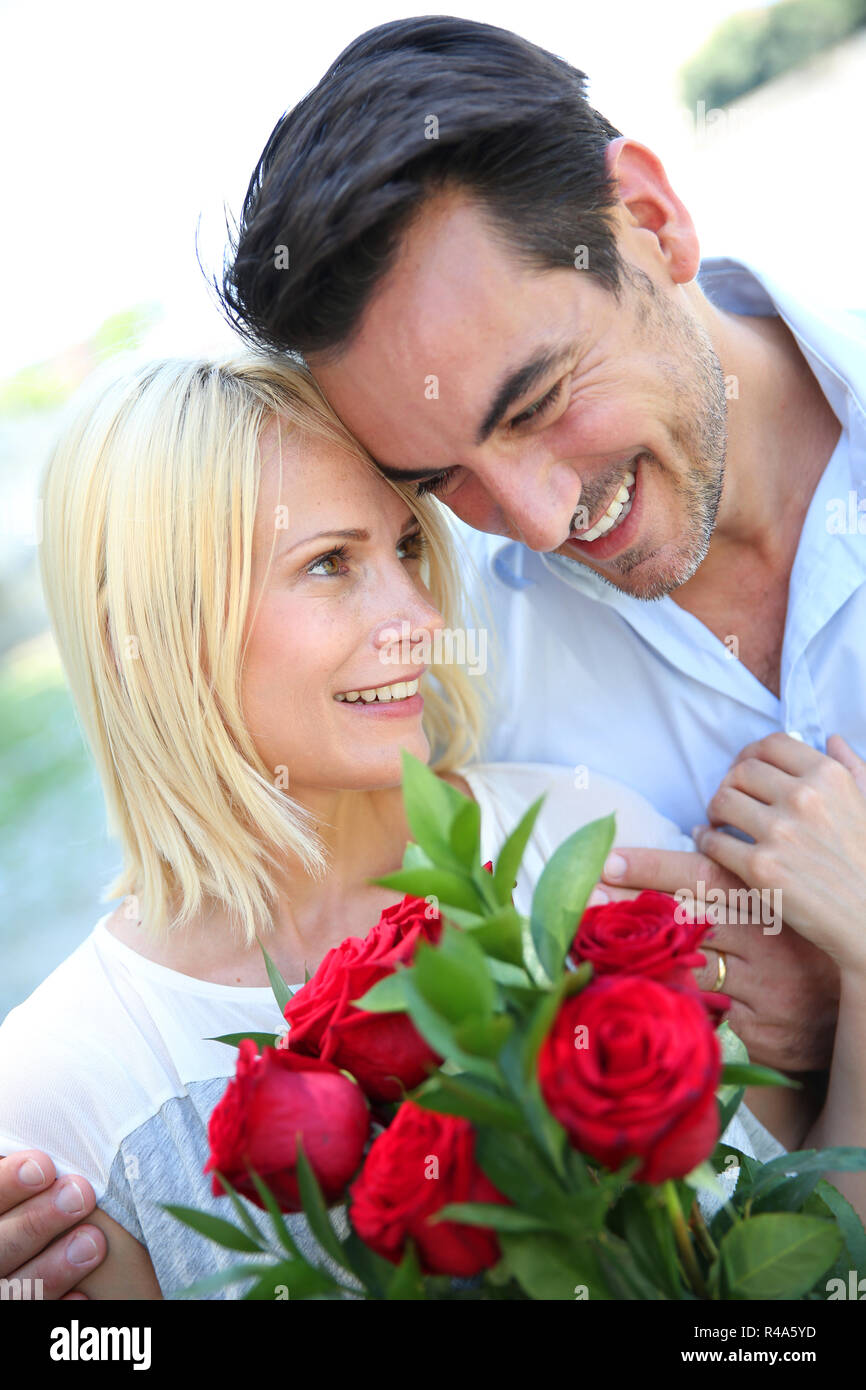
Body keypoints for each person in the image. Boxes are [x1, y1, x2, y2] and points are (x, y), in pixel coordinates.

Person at [217, 15, 866, 1081]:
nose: (535, 519)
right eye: (443, 479)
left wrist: (842, 999)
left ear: (652, 221)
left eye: (539, 401)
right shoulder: (437, 671)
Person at [0, 352, 712, 1298]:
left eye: (408, 547)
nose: (419, 615)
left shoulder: (587, 846)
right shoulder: (55, 1095)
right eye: (330, 563)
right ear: (149, 631)